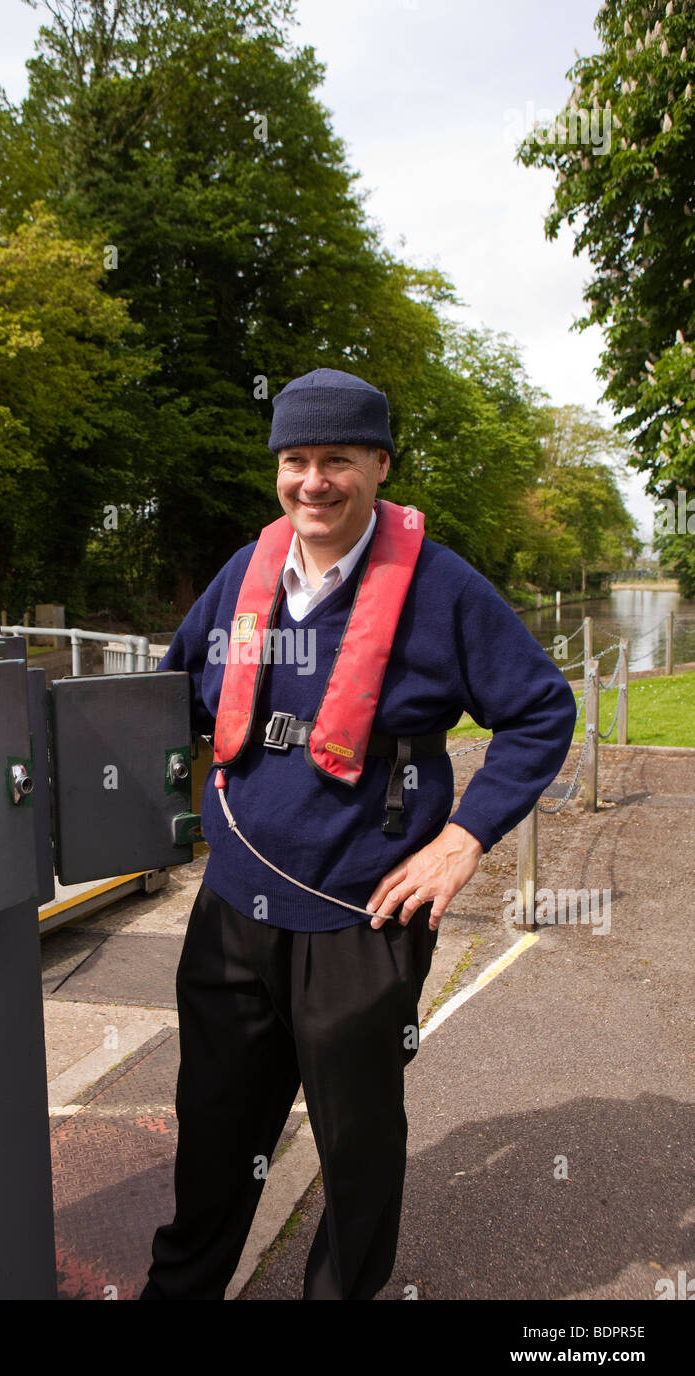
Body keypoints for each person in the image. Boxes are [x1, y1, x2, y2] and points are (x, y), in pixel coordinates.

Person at [139, 367, 577, 1301]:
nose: (314, 481)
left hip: (361, 917)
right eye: (295, 460)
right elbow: (165, 697)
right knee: (213, 1133)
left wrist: (463, 839)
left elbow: (541, 708)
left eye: (338, 459)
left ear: (379, 465)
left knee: (357, 1145)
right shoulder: (244, 576)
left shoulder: (441, 589)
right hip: (231, 917)